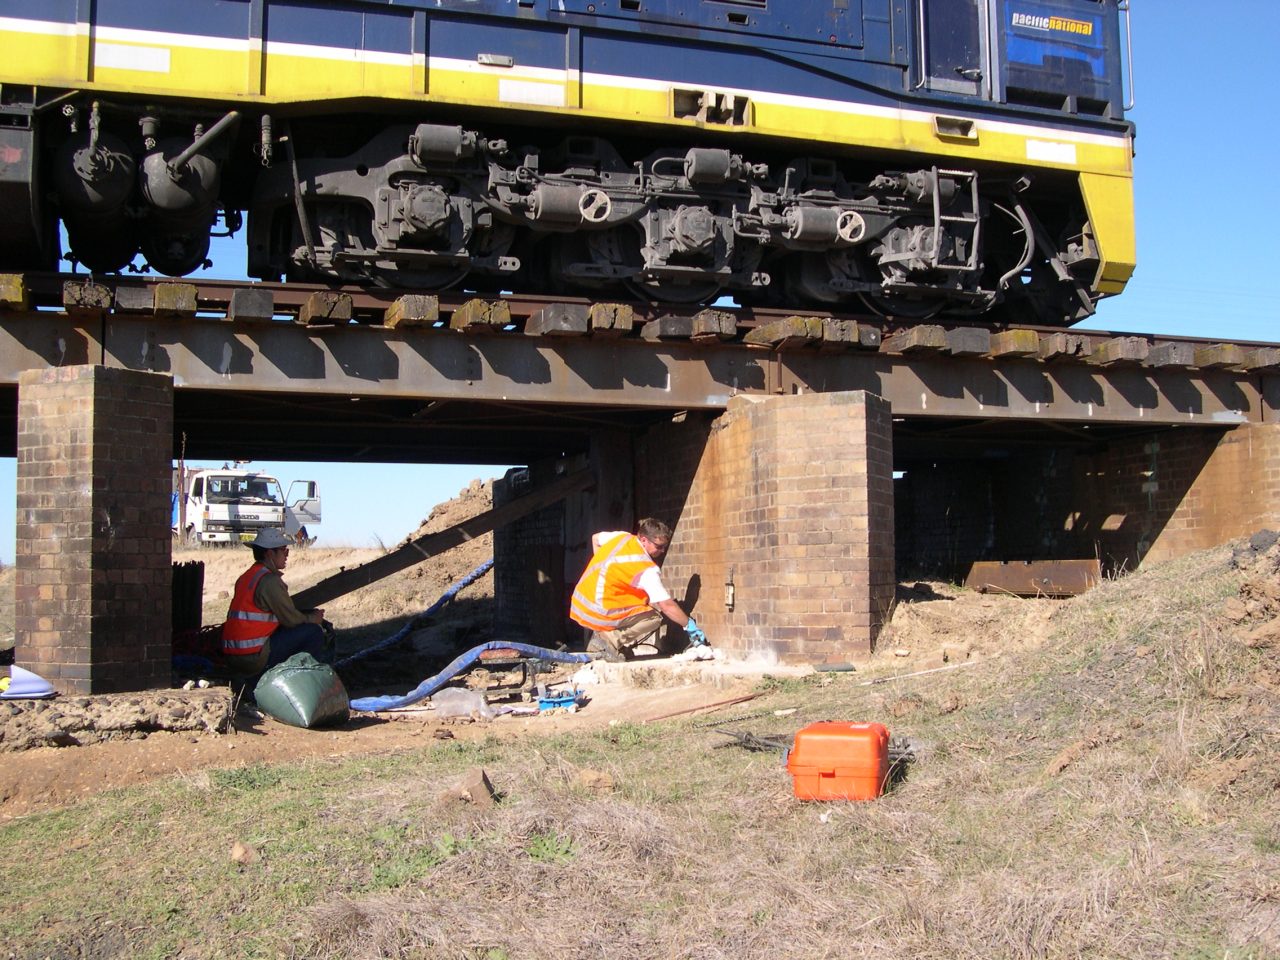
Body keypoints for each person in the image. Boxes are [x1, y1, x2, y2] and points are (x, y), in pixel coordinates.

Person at [569, 518, 708, 661]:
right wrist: (689, 625)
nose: (662, 551)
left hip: (581, 603)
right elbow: (666, 606)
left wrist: (602, 567)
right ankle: (608, 640)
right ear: (643, 540)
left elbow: (595, 538)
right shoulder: (646, 568)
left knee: (640, 605)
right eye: (659, 546)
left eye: (664, 547)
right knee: (653, 618)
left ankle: (614, 643)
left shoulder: (622, 537)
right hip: (599, 610)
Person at [221, 528, 333, 681]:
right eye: (283, 550)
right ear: (269, 553)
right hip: (253, 657)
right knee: (313, 632)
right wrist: (314, 618)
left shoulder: (248, 576)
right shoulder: (269, 581)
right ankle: (295, 682)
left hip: (235, 655)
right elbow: (291, 620)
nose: (287, 554)